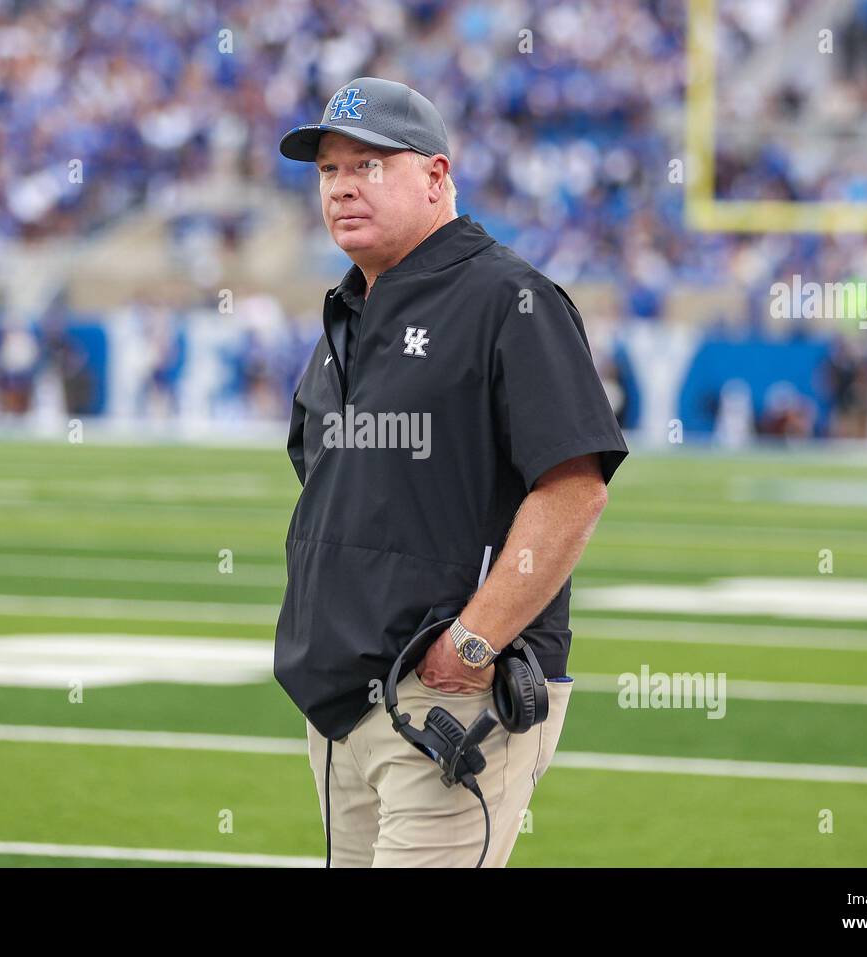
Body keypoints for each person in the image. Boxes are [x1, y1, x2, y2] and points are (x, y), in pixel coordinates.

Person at [274, 77, 629, 867]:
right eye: (330, 170)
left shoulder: (511, 300)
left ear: (436, 177)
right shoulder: (350, 309)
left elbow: (574, 488)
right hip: (341, 696)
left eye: (368, 165)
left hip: (448, 698)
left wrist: (474, 641)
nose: (341, 188)